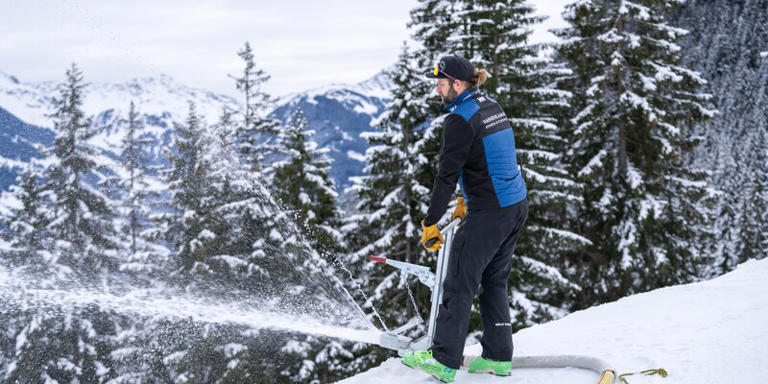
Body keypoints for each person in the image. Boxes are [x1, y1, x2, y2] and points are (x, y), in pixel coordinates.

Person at [401, 55, 529, 383]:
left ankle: (443, 360)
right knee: (494, 280)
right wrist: (462, 200)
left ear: (458, 83)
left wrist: (430, 223)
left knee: (458, 281)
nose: (437, 87)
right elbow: (485, 156)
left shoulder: (459, 119)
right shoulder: (490, 105)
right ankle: (497, 357)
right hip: (515, 206)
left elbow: (446, 174)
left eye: (441, 81)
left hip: (490, 213)